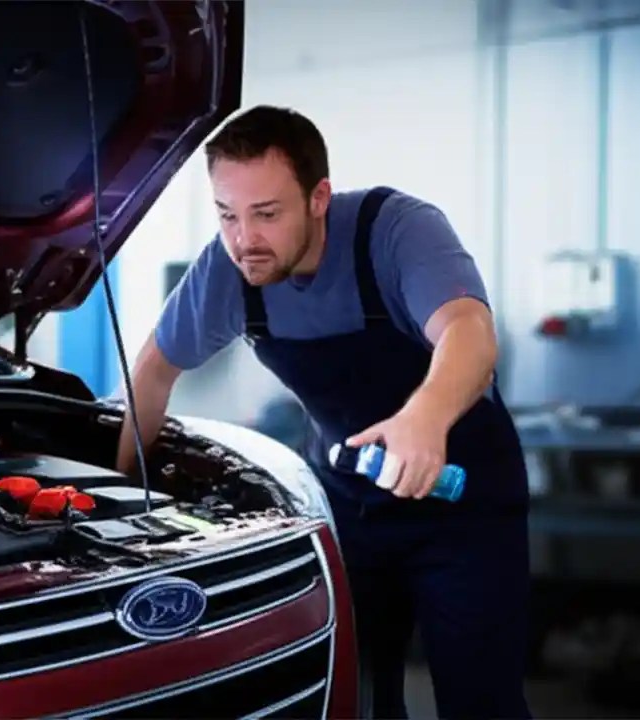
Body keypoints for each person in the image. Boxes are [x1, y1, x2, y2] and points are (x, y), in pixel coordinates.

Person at [115, 105, 532, 719]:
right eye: (227, 214)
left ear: (319, 198)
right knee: (352, 698)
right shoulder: (232, 268)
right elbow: (151, 372)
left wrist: (425, 419)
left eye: (267, 213)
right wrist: (125, 497)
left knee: (479, 701)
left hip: (463, 508)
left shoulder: (396, 231)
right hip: (349, 511)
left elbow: (470, 332)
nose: (244, 239)